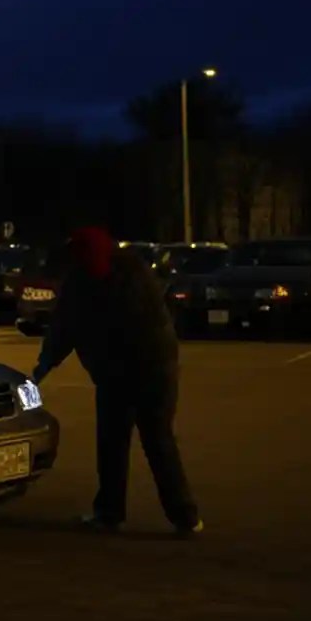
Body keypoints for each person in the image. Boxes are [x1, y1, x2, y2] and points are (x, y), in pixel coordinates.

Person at [32, 227, 202, 536]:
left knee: (137, 442)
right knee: (142, 442)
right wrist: (43, 367)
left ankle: (125, 513)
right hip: (140, 371)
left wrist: (44, 367)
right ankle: (177, 516)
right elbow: (64, 329)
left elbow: (67, 330)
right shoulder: (121, 273)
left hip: (137, 370)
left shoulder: (105, 279)